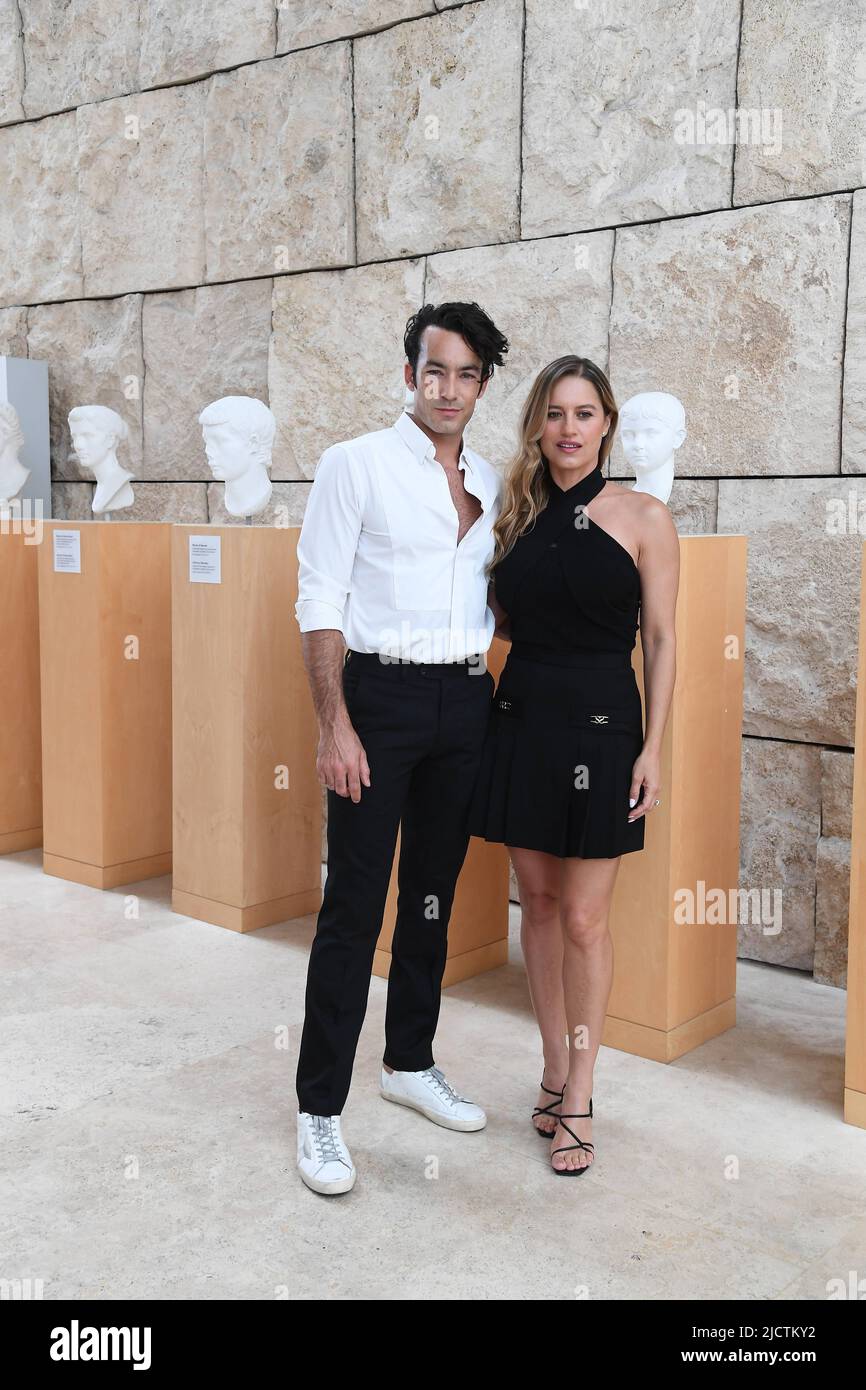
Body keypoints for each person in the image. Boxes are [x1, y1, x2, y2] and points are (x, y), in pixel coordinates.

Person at [293, 301, 509, 1195]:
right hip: (378, 701)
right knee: (353, 902)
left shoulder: (493, 480)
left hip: (466, 697)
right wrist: (334, 723)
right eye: (435, 369)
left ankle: (408, 1062)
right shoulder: (356, 465)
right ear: (409, 371)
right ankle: (319, 1112)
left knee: (432, 896)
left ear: (483, 383)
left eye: (466, 374)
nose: (448, 388)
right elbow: (319, 598)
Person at [468, 356, 680, 1176]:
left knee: (587, 918)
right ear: (538, 424)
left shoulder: (644, 516)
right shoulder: (514, 514)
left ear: (607, 425)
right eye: (554, 414)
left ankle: (583, 1090)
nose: (568, 429)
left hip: (603, 726)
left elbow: (659, 642)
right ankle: (552, 1064)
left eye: (584, 414)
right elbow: (497, 619)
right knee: (543, 905)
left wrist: (653, 745)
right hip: (520, 716)